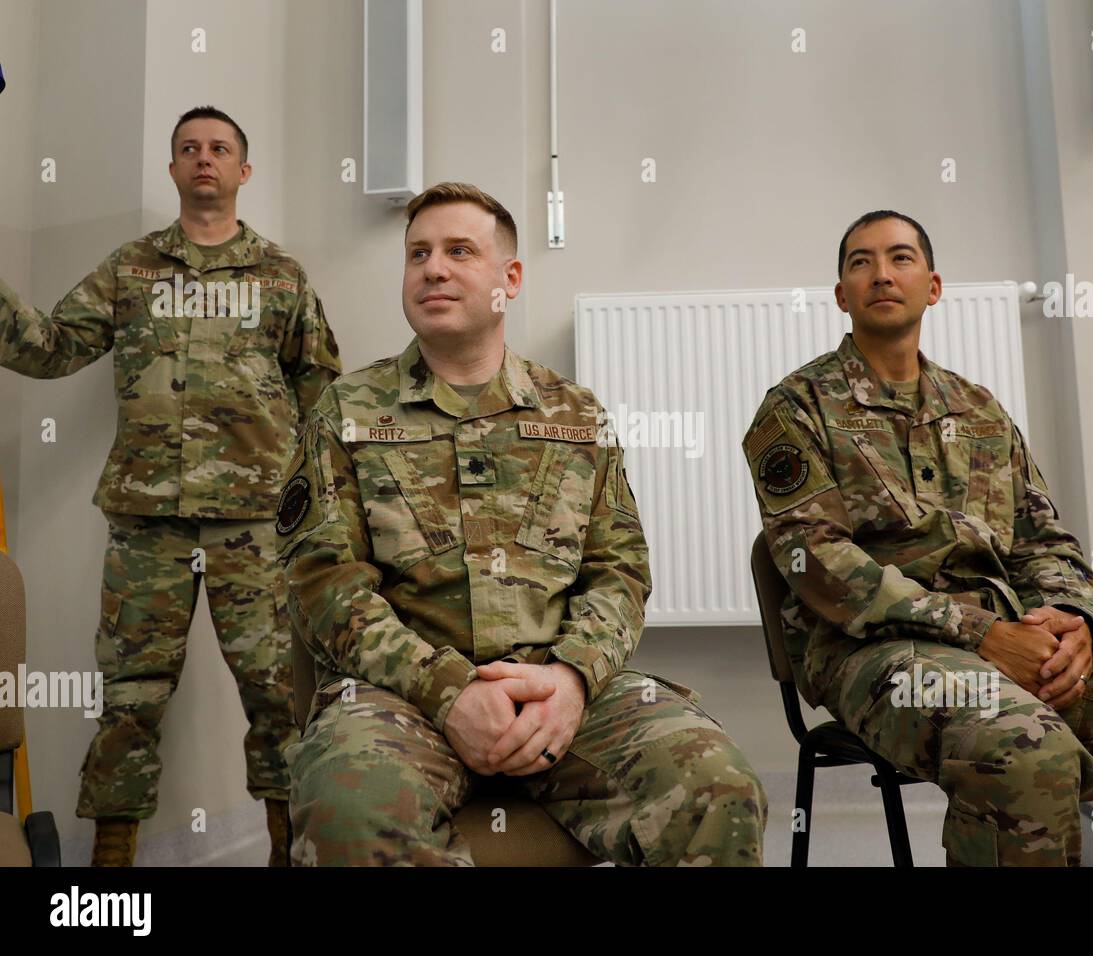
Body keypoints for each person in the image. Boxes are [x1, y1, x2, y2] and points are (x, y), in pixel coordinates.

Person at [742, 209, 1093, 866]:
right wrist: (980, 633)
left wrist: (1074, 621)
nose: (881, 274)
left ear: (933, 285)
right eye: (860, 262)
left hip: (1016, 633)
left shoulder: (978, 411)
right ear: (841, 294)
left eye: (900, 257)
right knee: (1023, 744)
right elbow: (820, 564)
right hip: (879, 653)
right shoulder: (798, 407)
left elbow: (1044, 540)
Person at [279, 181, 766, 866]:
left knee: (718, 787)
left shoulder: (576, 414)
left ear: (509, 279)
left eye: (458, 251)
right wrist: (449, 694)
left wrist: (572, 681)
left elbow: (619, 574)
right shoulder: (348, 411)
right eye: (417, 253)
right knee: (350, 810)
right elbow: (324, 586)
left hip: (561, 691)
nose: (433, 268)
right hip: (402, 698)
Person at [0, 106, 342, 866]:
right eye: (189, 148)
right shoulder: (131, 269)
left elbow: (322, 391)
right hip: (147, 522)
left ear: (243, 171)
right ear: (173, 168)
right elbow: (50, 349)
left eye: (220, 149)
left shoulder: (280, 275)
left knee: (278, 697)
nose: (204, 159)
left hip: (256, 526)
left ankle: (290, 852)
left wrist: (318, 515)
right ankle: (112, 871)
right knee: (128, 701)